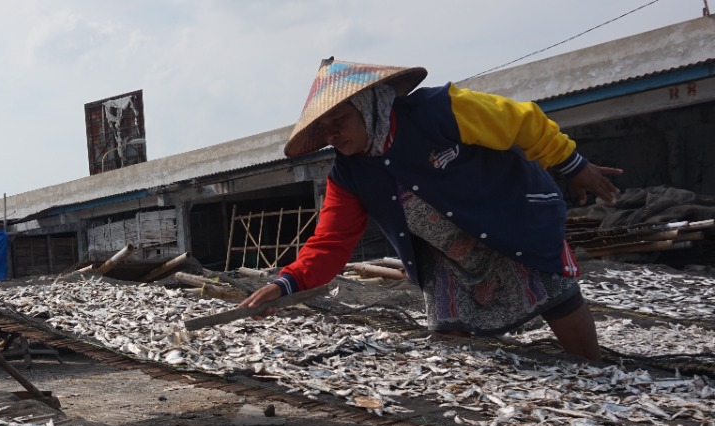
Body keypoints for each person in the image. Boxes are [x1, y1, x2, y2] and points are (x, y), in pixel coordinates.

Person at [239, 58, 622, 361]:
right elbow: (331, 240)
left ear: (369, 105)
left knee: (556, 295)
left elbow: (522, 122)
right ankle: (467, 417)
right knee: (448, 333)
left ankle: (595, 370)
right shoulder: (348, 174)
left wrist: (572, 164)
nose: (333, 134)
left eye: (338, 120)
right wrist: (285, 284)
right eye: (324, 129)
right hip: (443, 255)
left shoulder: (440, 109)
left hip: (507, 222)